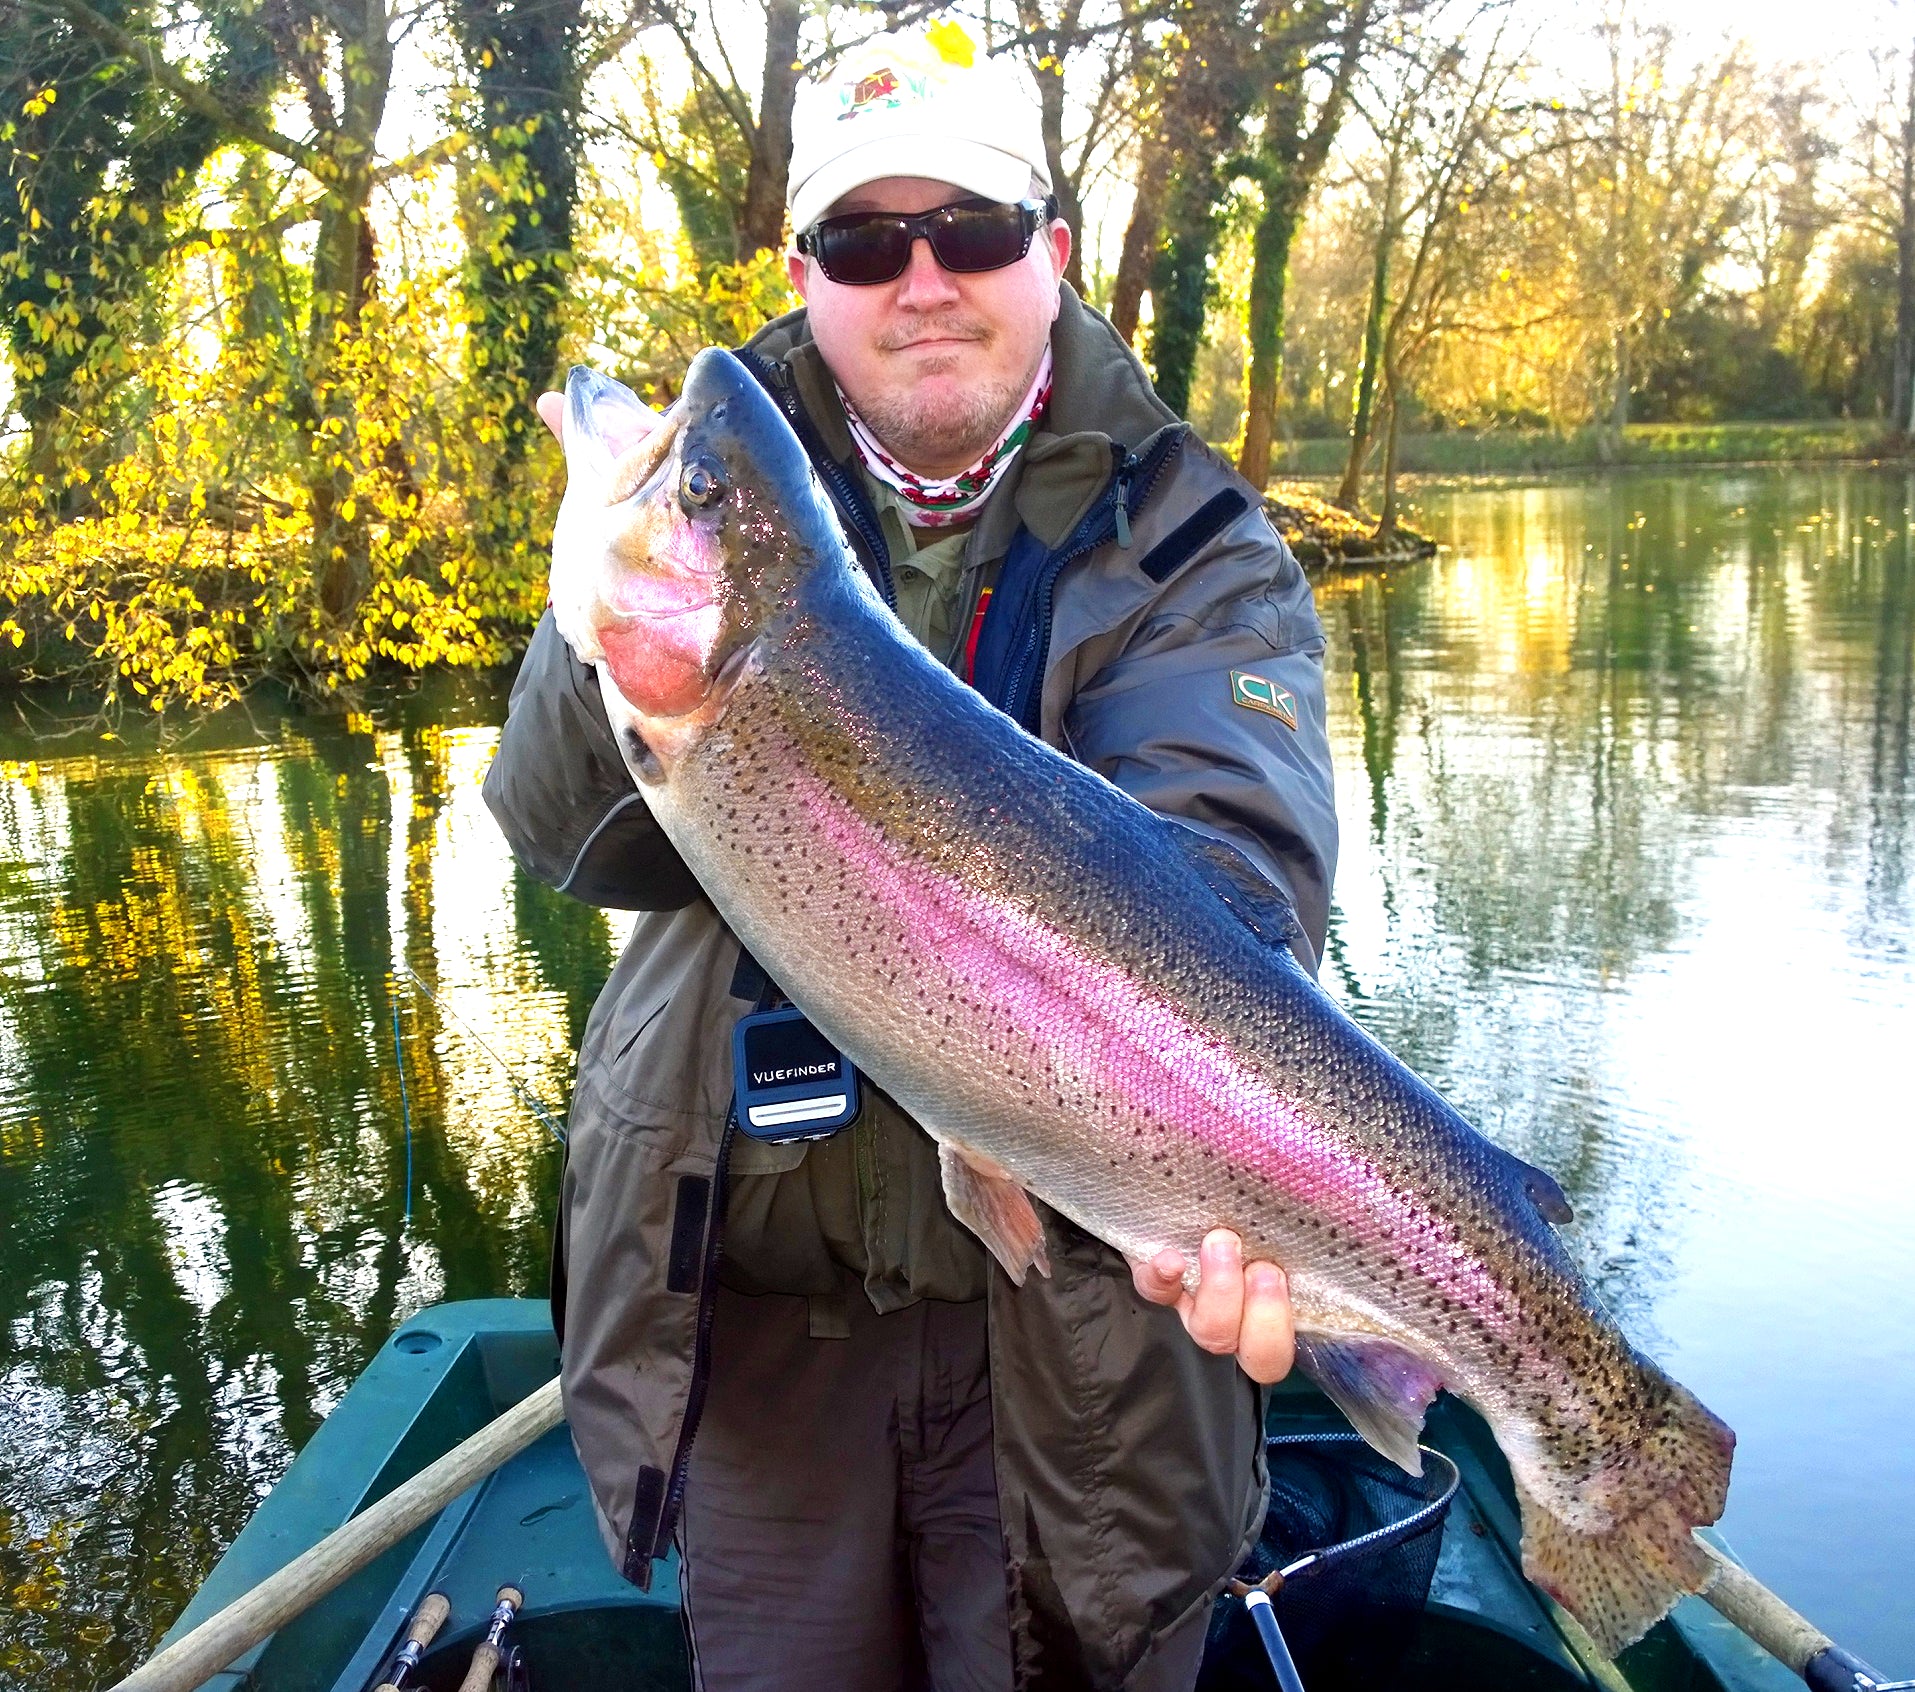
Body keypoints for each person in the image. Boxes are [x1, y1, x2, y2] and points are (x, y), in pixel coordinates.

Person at [484, 23, 1338, 1691]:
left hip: (1098, 1347)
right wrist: (607, 622)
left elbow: (1237, 884)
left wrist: (1233, 1172)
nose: (924, 277)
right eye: (869, 241)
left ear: (1054, 252)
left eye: (975, 230)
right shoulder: (724, 497)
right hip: (762, 1330)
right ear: (807, 273)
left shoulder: (1193, 540)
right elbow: (560, 835)